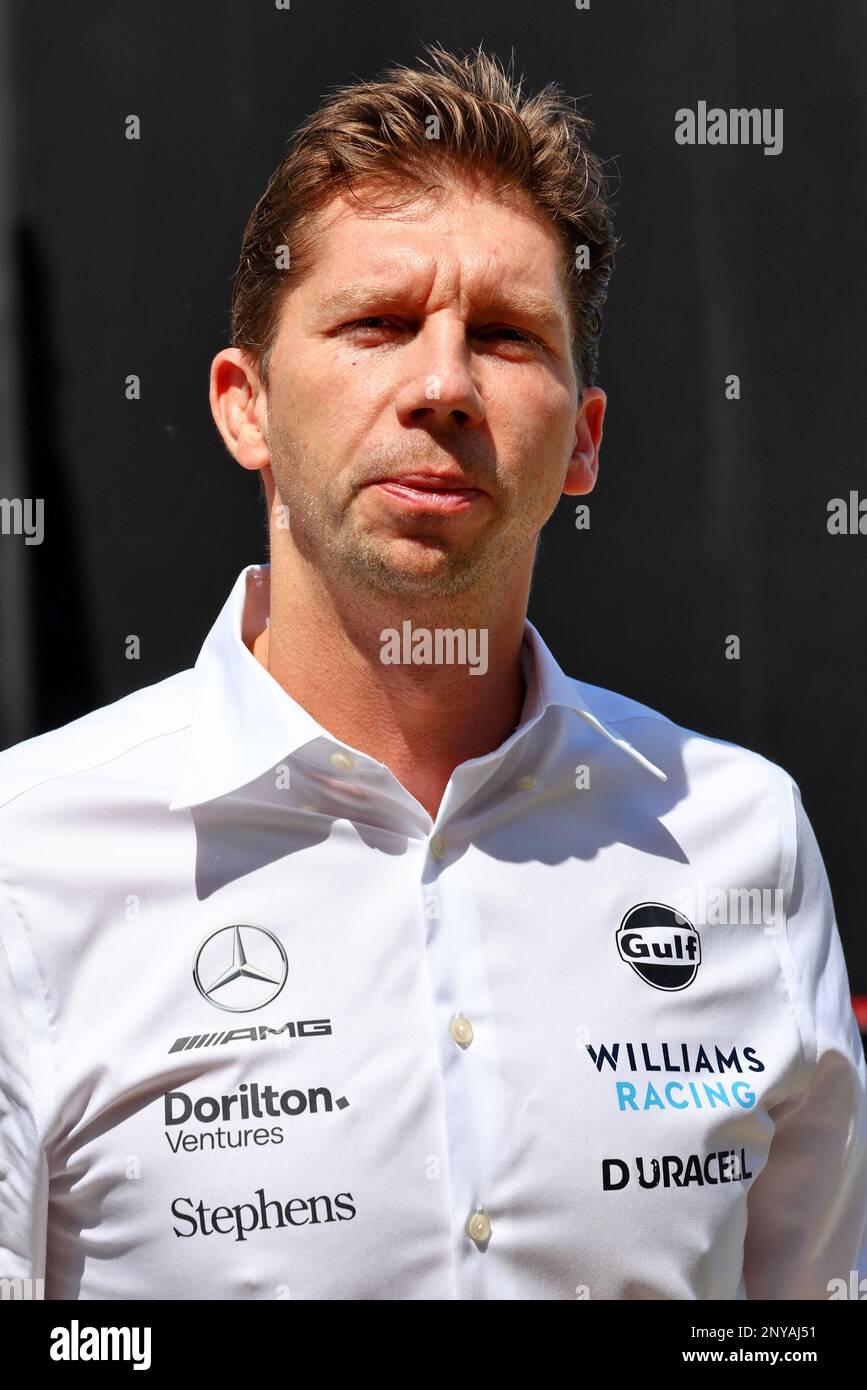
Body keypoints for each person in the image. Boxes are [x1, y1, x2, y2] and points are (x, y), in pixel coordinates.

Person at [1, 42, 865, 1302]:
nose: (445, 383)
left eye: (508, 337)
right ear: (246, 406)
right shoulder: (27, 854)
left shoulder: (741, 837)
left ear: (583, 441)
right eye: (379, 324)